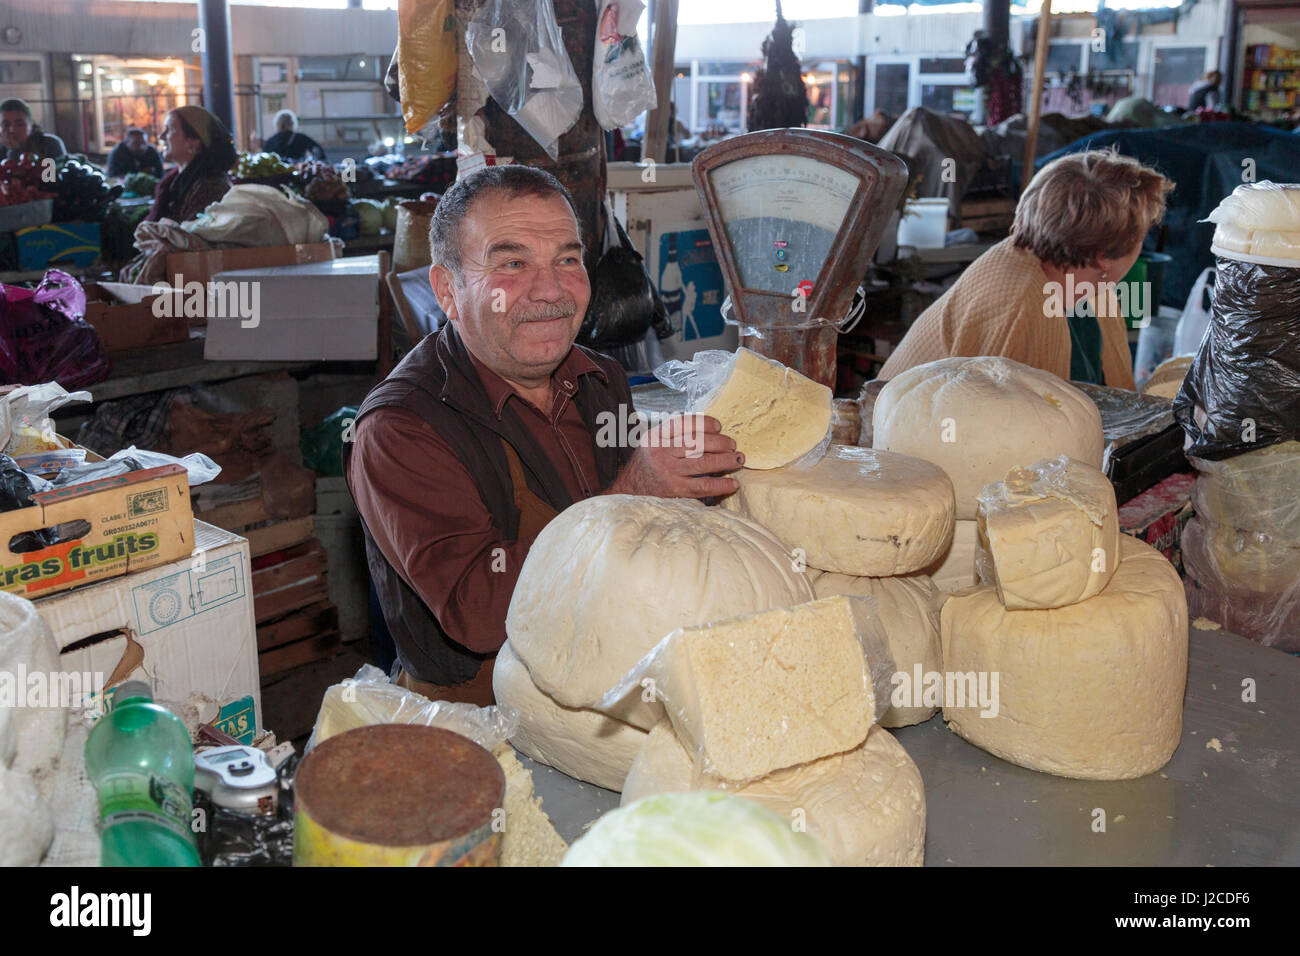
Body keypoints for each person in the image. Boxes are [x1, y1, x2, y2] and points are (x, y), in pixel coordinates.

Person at [345, 165, 744, 704]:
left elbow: (641, 547)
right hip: (486, 714)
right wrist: (636, 489)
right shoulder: (402, 427)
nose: (551, 290)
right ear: (447, 289)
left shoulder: (600, 379)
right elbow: (476, 612)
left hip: (607, 683)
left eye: (567, 259)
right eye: (512, 263)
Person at [879, 150, 1173, 390]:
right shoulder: (1018, 302)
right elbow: (998, 436)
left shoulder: (1088, 285)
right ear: (1103, 257)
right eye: (1141, 237)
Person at [145, 105, 236, 224]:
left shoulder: (211, 187)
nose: (161, 136)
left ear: (193, 142)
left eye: (170, 129)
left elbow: (186, 237)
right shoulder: (175, 182)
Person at [0, 98, 66, 162]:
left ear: (31, 125)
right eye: (6, 125)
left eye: (19, 124)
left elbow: (56, 172)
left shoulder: (50, 144)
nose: (12, 130)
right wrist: (13, 150)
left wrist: (15, 150)